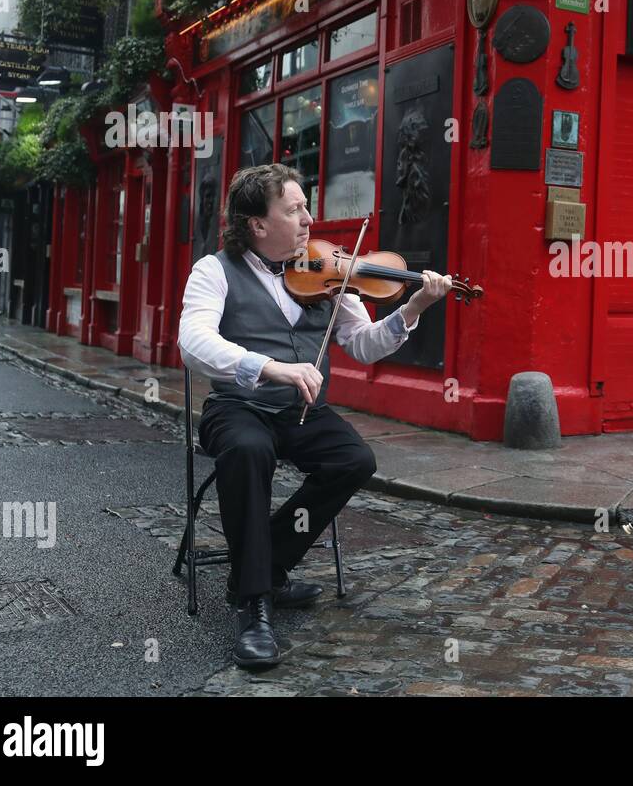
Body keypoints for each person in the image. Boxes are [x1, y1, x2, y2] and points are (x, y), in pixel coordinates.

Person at [178, 163, 452, 668]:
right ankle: (254, 605)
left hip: (302, 414)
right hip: (238, 408)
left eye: (306, 206)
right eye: (294, 209)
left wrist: (412, 308)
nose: (309, 219)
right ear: (257, 224)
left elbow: (364, 346)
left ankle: (263, 567)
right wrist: (270, 368)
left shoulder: (328, 271)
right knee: (248, 447)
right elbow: (193, 342)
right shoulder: (214, 271)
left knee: (354, 459)